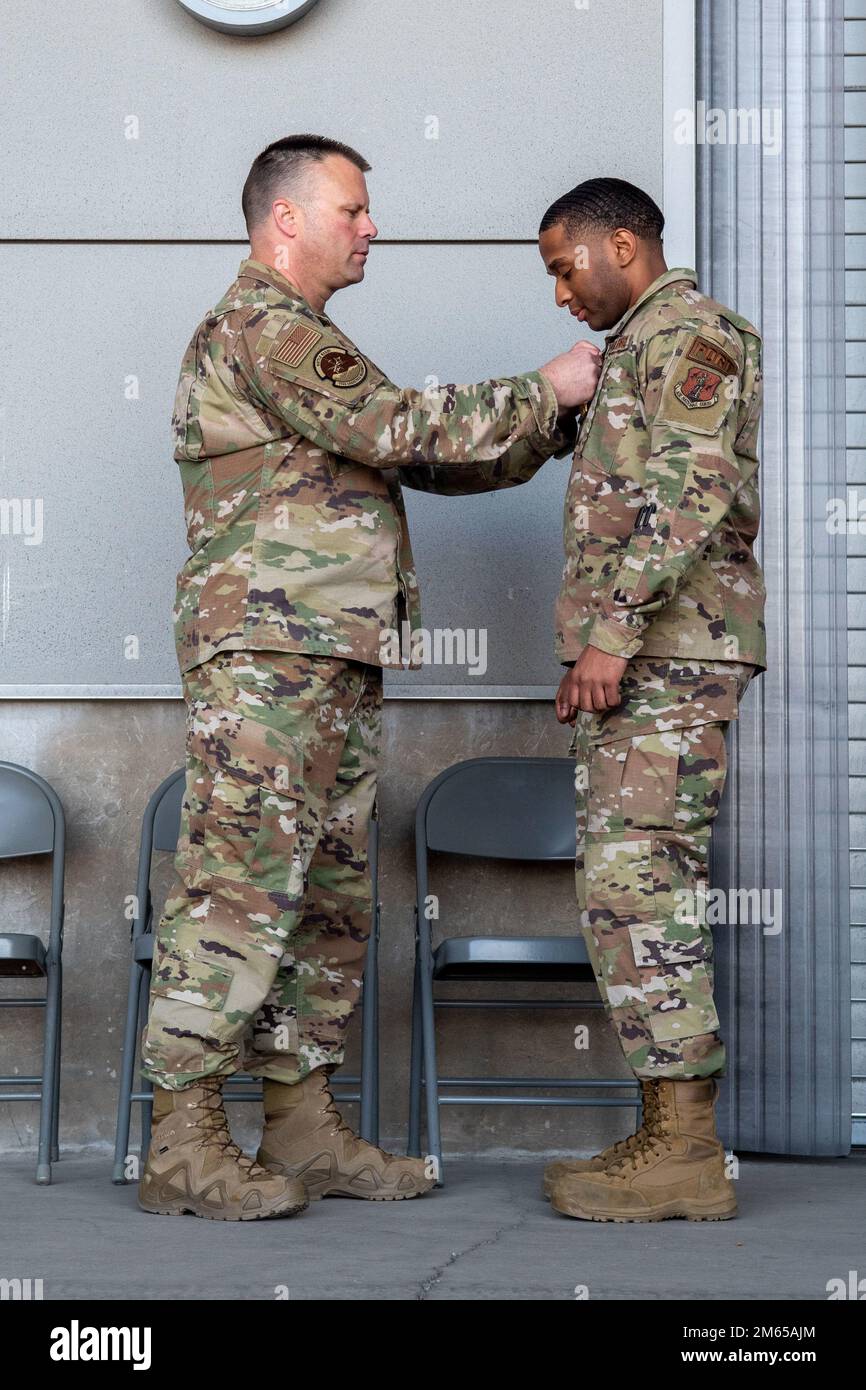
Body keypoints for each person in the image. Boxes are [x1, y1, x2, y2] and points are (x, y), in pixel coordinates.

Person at [137, 134, 601, 1220]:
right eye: (350, 208)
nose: (370, 224)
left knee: (327, 900)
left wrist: (551, 420)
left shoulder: (307, 342)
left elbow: (420, 458)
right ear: (285, 218)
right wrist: (538, 384)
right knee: (239, 890)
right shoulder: (262, 325)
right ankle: (183, 1144)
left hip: (330, 661)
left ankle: (300, 1128)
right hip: (265, 659)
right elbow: (397, 425)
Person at [537, 177, 765, 1222]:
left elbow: (686, 492)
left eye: (561, 265)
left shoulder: (692, 336)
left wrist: (610, 633)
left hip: (667, 655)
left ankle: (684, 1150)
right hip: (644, 660)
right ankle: (664, 1127)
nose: (557, 291)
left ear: (617, 243)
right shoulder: (637, 344)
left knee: (642, 885)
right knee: (626, 890)